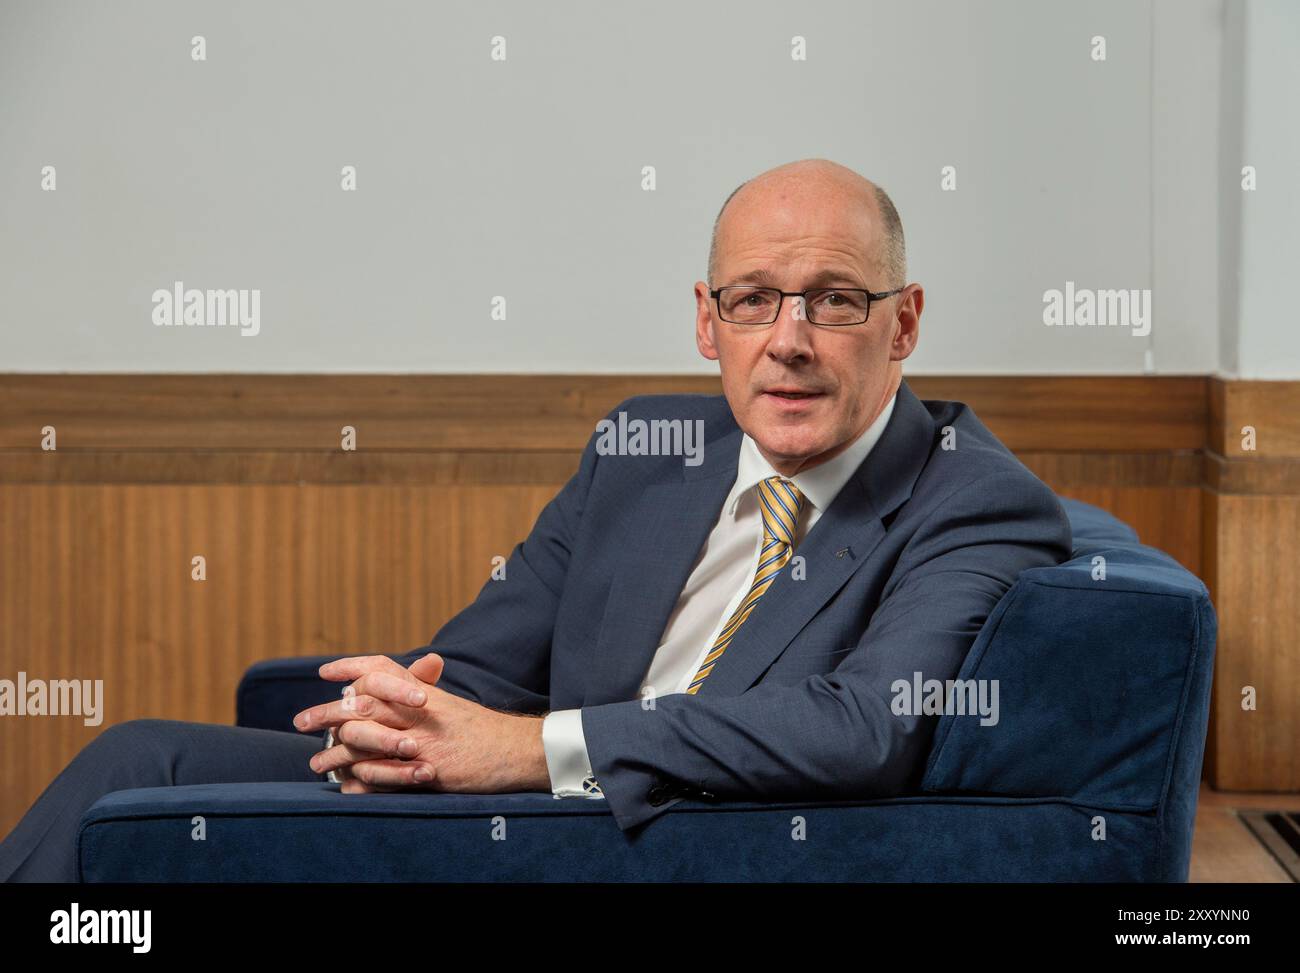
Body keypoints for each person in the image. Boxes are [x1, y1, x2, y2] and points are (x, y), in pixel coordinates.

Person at [0, 158, 1071, 881]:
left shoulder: (972, 495)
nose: (788, 338)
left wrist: (528, 751)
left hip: (652, 843)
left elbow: (863, 729)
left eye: (833, 298)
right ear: (707, 323)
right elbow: (484, 665)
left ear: (906, 323)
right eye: (753, 298)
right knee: (142, 763)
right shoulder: (643, 454)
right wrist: (407, 712)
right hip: (505, 812)